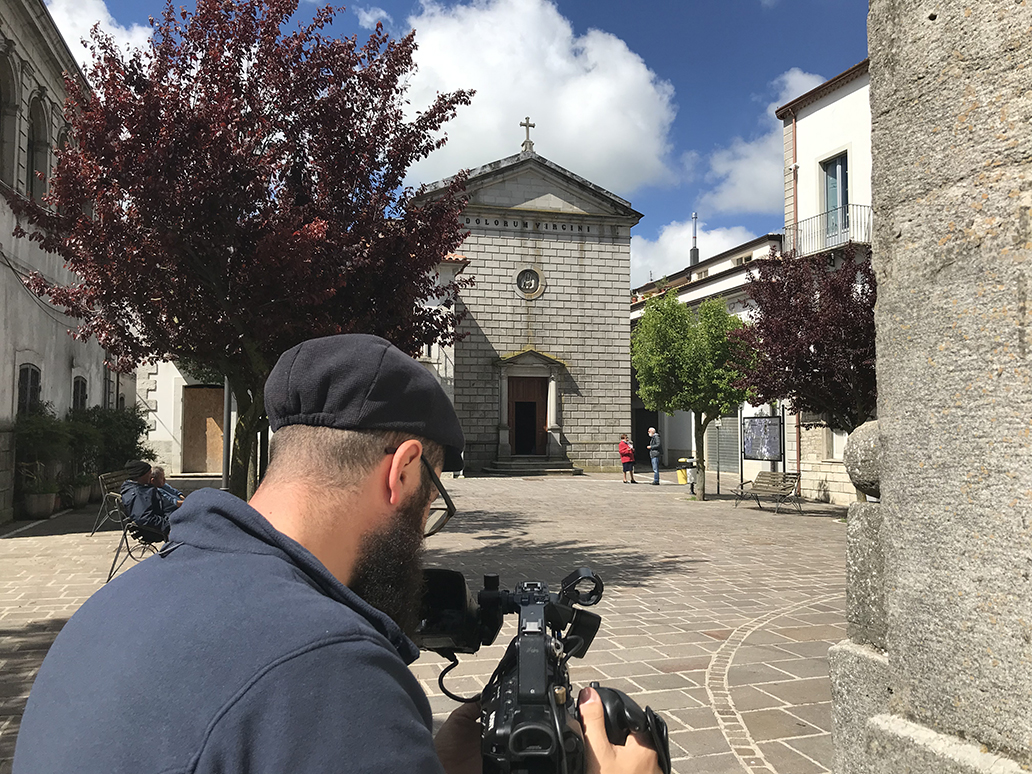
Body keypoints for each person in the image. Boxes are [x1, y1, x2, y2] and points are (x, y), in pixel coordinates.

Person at [14, 333, 659, 774]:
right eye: (432, 497)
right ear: (402, 471)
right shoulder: (329, 669)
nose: (424, 527)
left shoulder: (112, 605)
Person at [118, 459, 169, 536]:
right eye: (148, 473)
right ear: (141, 475)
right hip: (156, 529)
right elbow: (144, 518)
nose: (150, 476)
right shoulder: (137, 494)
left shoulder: (141, 487)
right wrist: (168, 525)